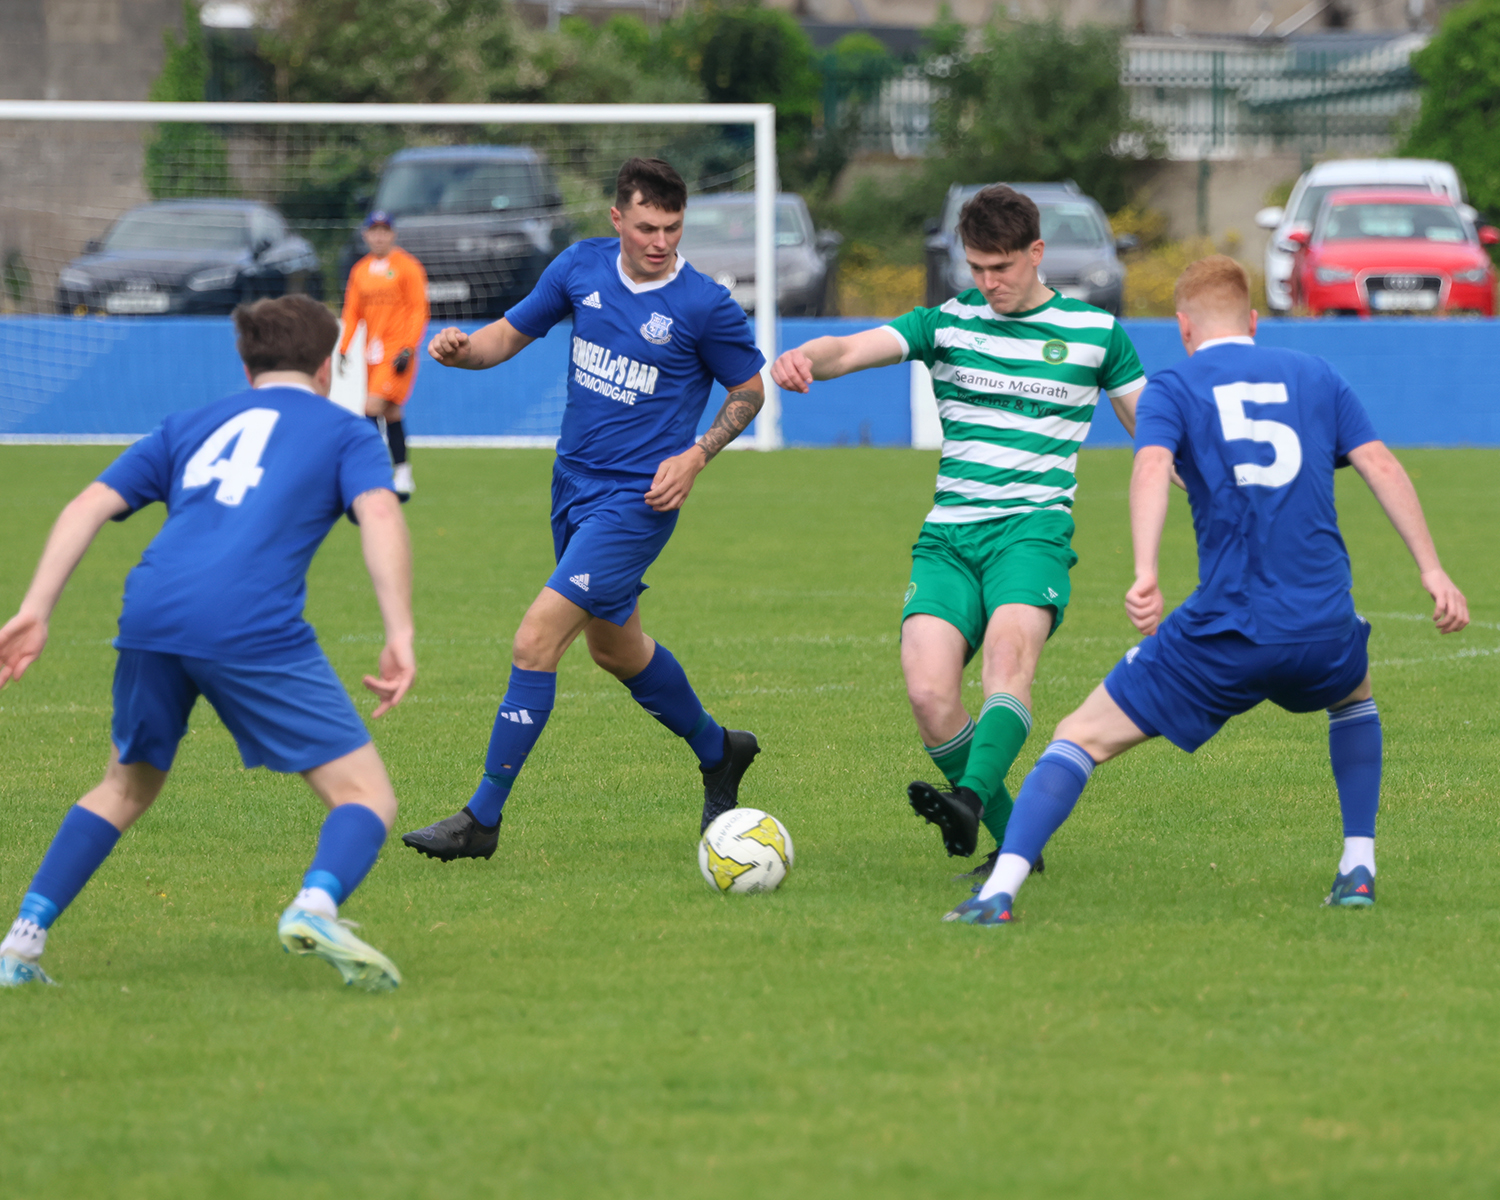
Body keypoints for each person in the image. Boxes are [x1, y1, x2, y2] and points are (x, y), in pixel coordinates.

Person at [947, 255, 1469, 925]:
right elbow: (1381, 465)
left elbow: (1150, 469)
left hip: (1227, 628)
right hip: (1322, 623)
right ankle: (1357, 866)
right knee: (1353, 694)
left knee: (1079, 737)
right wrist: (1432, 570)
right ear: (1253, 320)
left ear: (1183, 327)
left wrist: (1144, 571)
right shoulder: (1317, 375)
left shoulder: (1174, 386)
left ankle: (999, 892)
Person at [0, 295, 417, 990]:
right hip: (248, 620)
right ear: (326, 365)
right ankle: (315, 905)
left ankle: (21, 941)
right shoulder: (345, 432)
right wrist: (399, 631)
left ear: (245, 362)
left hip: (151, 611)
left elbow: (87, 505)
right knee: (367, 797)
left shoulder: (189, 424)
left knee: (124, 786)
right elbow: (378, 510)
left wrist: (34, 609)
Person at [771, 184, 1147, 877]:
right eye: (975, 267)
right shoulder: (947, 324)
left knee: (1009, 663)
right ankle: (1012, 839)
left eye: (1001, 267)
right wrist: (804, 361)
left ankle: (969, 797)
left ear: (1036, 253)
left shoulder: (1096, 335)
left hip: (1031, 534)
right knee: (928, 691)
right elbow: (851, 348)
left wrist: (1206, 468)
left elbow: (1153, 432)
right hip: (949, 538)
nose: (987, 282)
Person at [400, 157, 766, 864]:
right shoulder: (579, 268)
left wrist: (696, 455)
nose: (660, 241)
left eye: (673, 227)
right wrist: (461, 350)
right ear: (617, 219)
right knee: (615, 649)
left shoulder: (703, 304)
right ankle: (720, 751)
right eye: (647, 226)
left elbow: (748, 390)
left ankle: (482, 818)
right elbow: (504, 338)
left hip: (636, 504)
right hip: (572, 489)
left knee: (536, 640)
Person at [339, 210, 429, 501]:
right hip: (373, 354)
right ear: (365, 235)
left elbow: (418, 310)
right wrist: (343, 347)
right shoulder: (360, 271)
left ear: (393, 234)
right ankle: (402, 473)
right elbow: (352, 313)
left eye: (384, 230)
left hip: (398, 352)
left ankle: (369, 470)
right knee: (391, 413)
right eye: (373, 231)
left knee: (371, 407)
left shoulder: (407, 267)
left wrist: (409, 347)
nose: (379, 236)